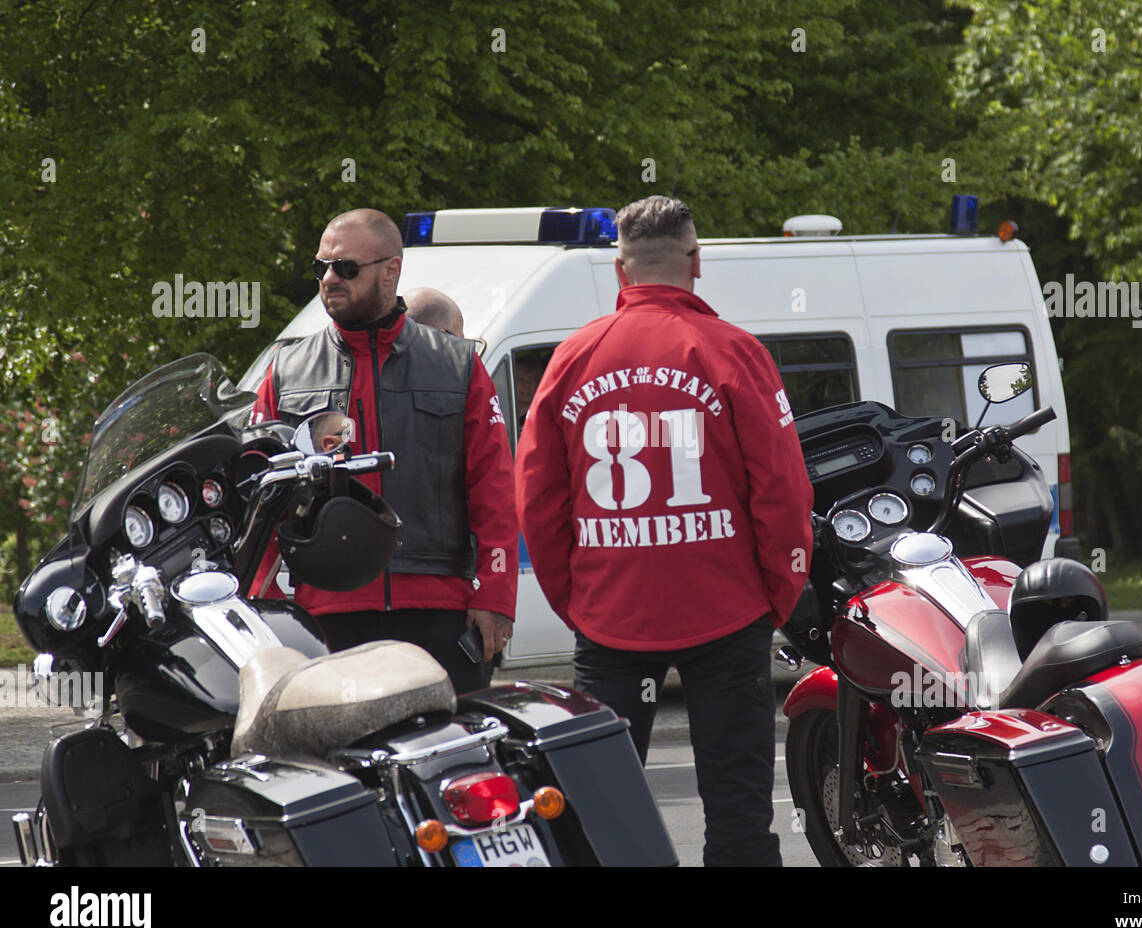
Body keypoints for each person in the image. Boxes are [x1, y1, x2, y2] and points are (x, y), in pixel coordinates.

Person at [515, 195, 813, 866]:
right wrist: (777, 594)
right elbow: (782, 489)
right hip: (729, 613)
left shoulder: (572, 357)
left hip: (611, 617)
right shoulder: (735, 352)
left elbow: (536, 498)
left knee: (601, 808)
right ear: (696, 262)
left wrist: (576, 599)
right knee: (738, 807)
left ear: (619, 271)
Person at [249, 208, 517, 692]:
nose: (330, 278)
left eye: (346, 268)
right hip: (326, 617)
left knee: (451, 758)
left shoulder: (457, 365)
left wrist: (496, 597)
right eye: (322, 267)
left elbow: (494, 486)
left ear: (391, 270)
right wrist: (258, 605)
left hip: (438, 614)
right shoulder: (287, 371)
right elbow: (260, 497)